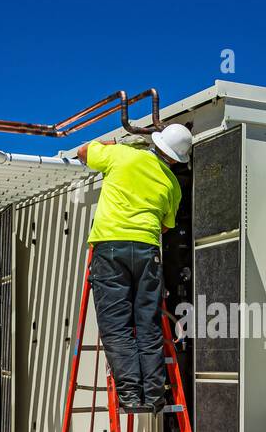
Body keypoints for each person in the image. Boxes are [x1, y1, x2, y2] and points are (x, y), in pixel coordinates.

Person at [76, 123, 193, 412]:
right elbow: (166, 227)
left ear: (157, 143)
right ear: (176, 160)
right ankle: (153, 396)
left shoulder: (122, 155)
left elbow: (81, 152)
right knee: (147, 325)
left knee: (116, 326)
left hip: (110, 248)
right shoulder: (172, 185)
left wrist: (111, 142)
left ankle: (130, 396)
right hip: (147, 252)